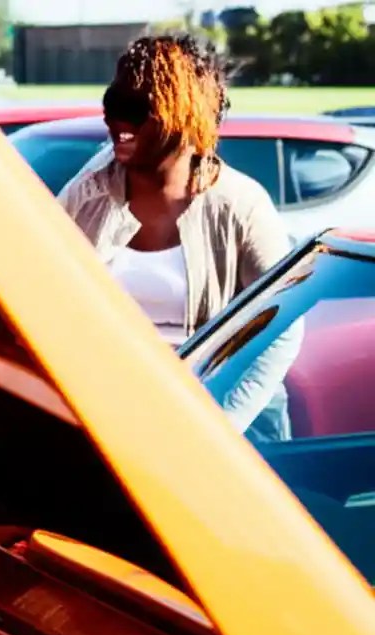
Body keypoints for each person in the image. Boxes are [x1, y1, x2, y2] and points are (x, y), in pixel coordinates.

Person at [57, 34, 295, 429]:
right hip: (115, 420)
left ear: (184, 116)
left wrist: (219, 425)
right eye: (112, 103)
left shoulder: (241, 207)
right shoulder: (88, 196)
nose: (115, 120)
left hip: (225, 424)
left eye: (135, 109)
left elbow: (280, 332)